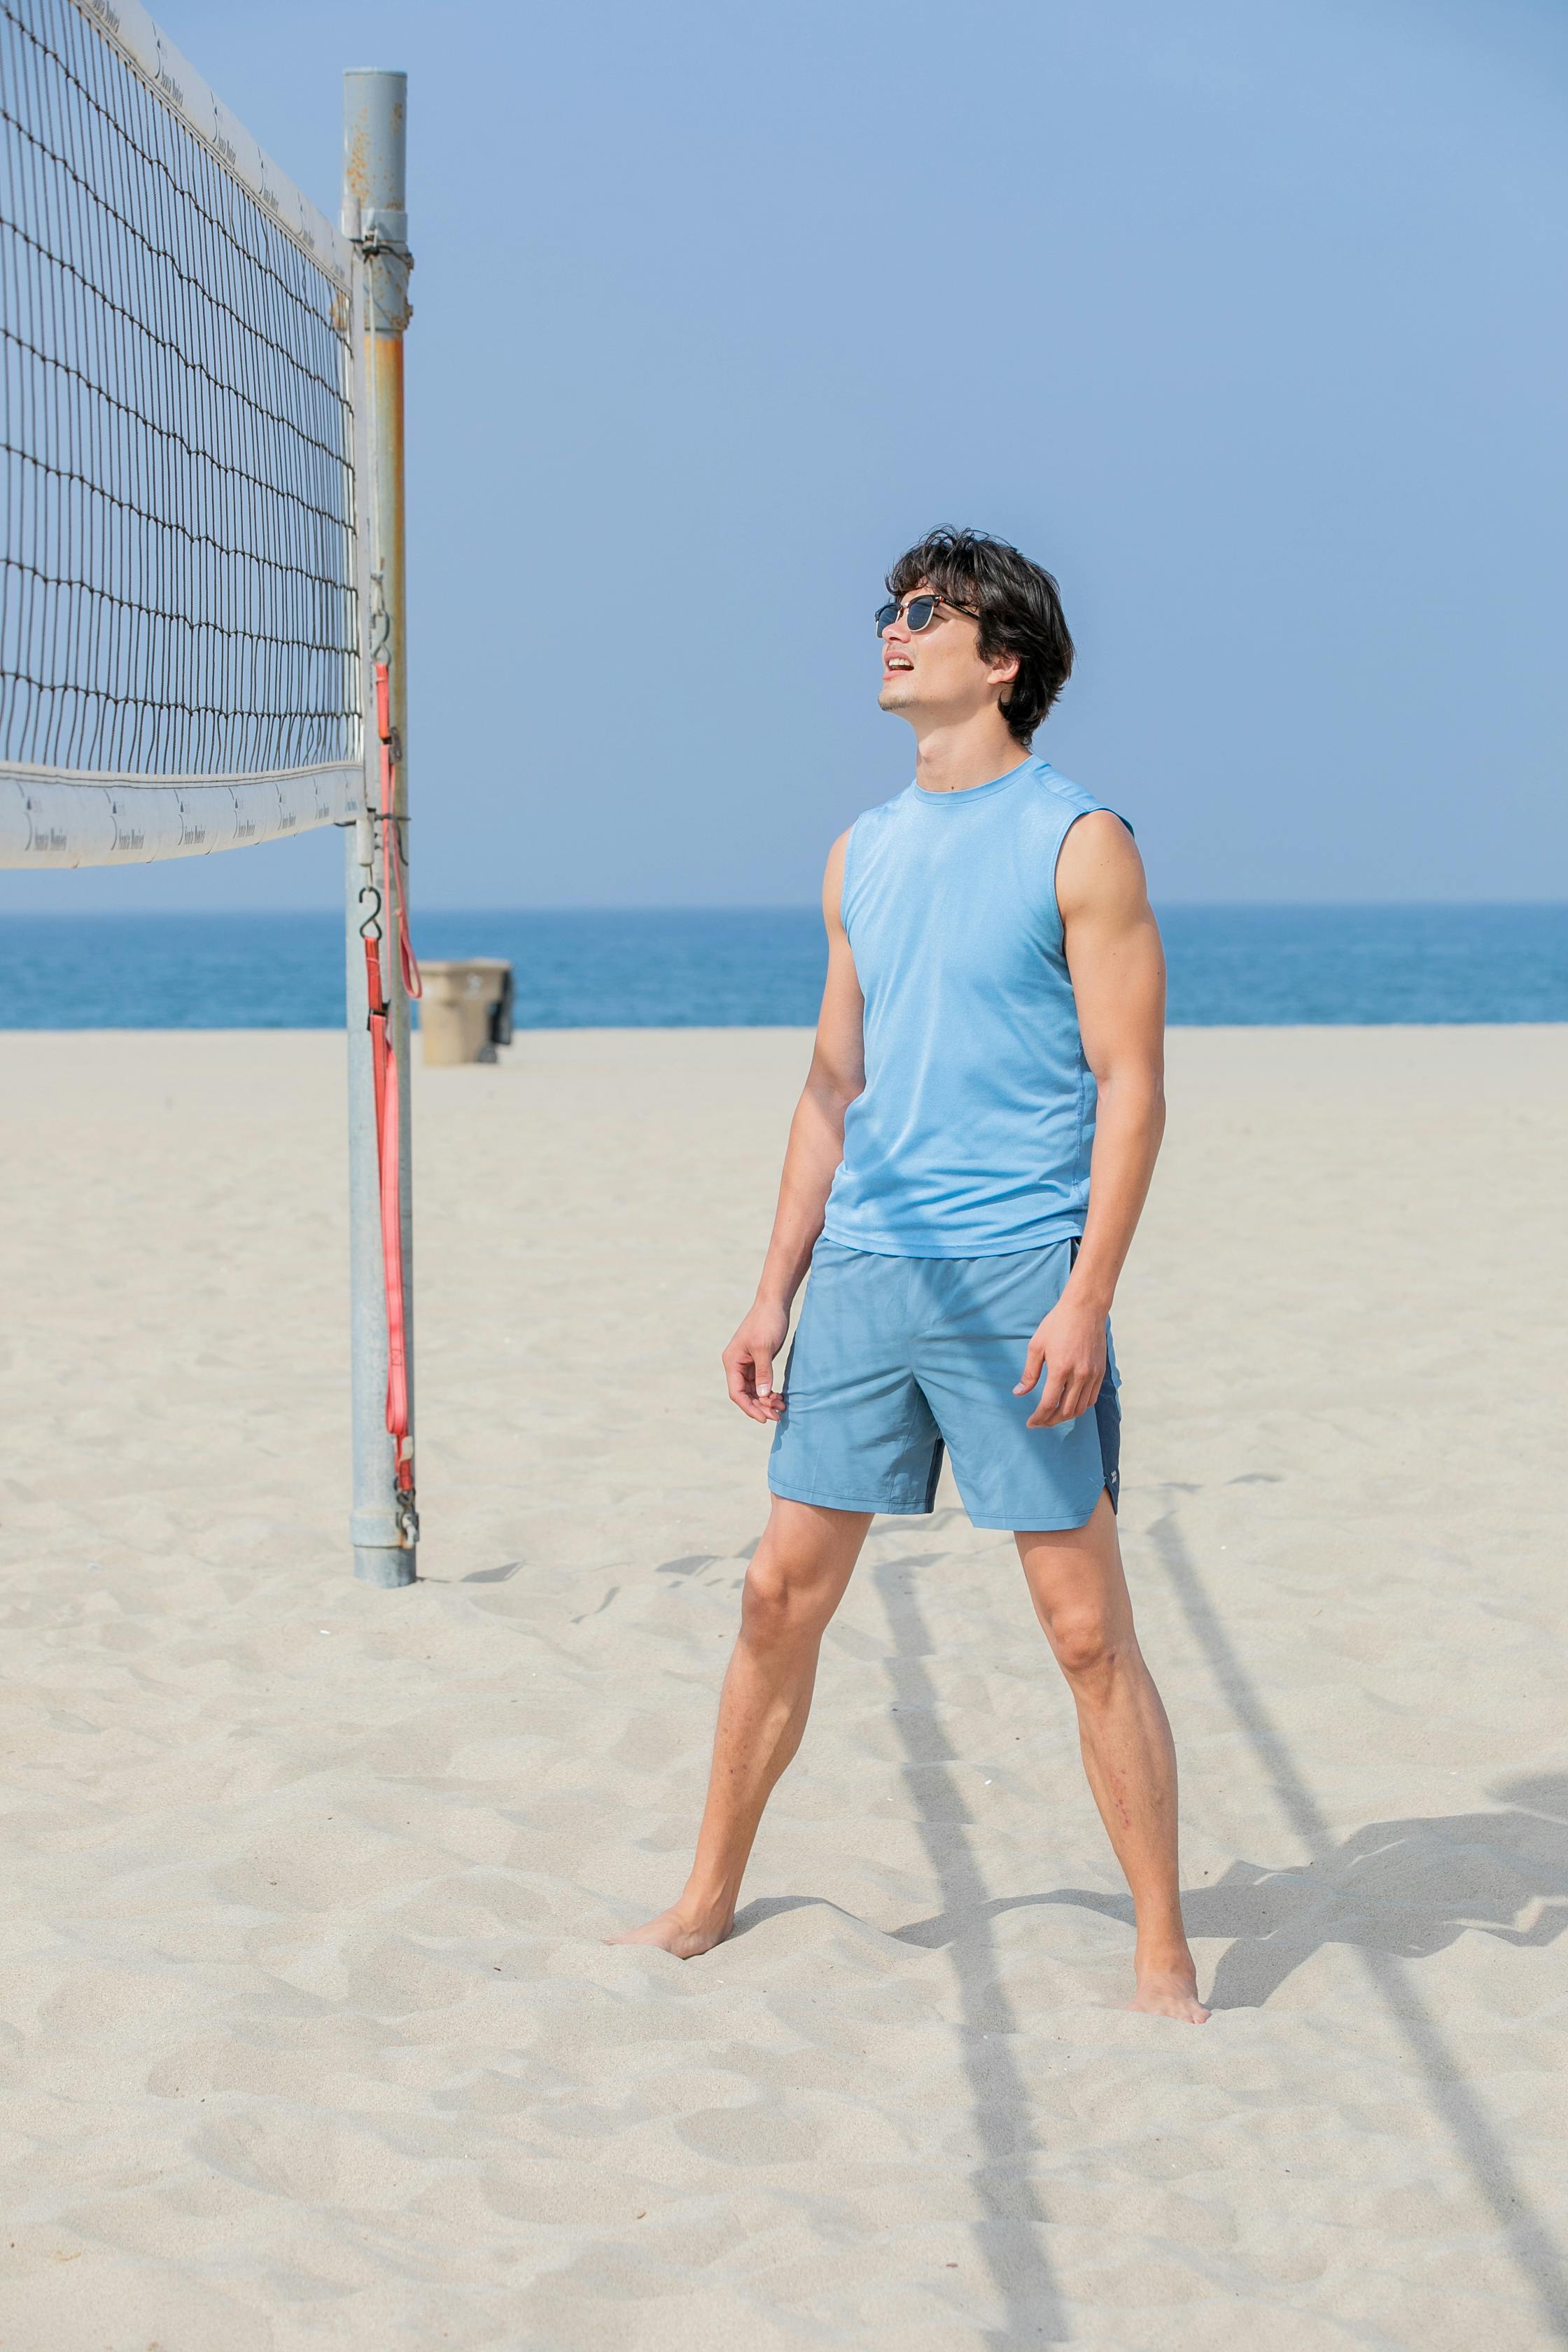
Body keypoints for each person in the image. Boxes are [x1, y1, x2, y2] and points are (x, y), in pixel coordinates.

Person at [616, 526, 1208, 2022]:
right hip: (867, 1275)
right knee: (773, 1599)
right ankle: (704, 1897)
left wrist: (1085, 1295)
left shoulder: (1082, 841)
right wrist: (772, 1292)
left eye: (922, 612)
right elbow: (830, 1086)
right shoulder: (859, 848)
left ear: (998, 659)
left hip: (1018, 1275)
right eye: (884, 608)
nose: (889, 629)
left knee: (1084, 1631)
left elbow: (1131, 1087)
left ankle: (1160, 1947)